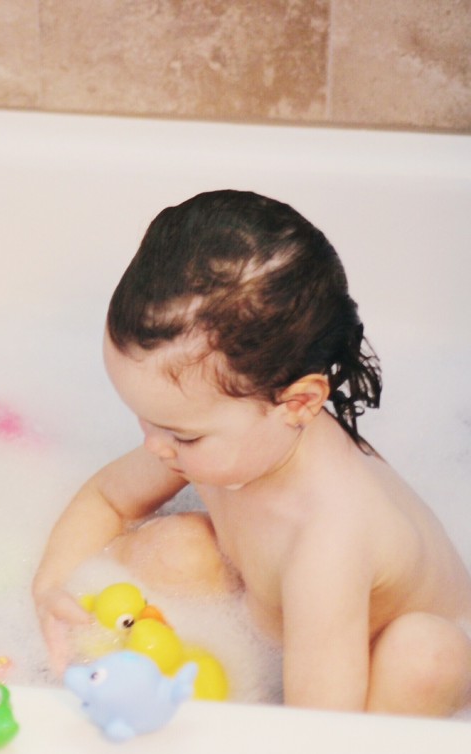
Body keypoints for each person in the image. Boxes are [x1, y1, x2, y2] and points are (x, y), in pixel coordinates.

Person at [32, 190, 471, 716]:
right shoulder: (225, 432)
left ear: (299, 403)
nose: (154, 445)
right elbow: (108, 498)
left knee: (425, 656)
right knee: (174, 550)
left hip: (366, 679)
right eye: (143, 418)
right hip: (278, 626)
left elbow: (324, 729)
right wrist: (54, 588)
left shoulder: (327, 538)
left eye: (182, 434)